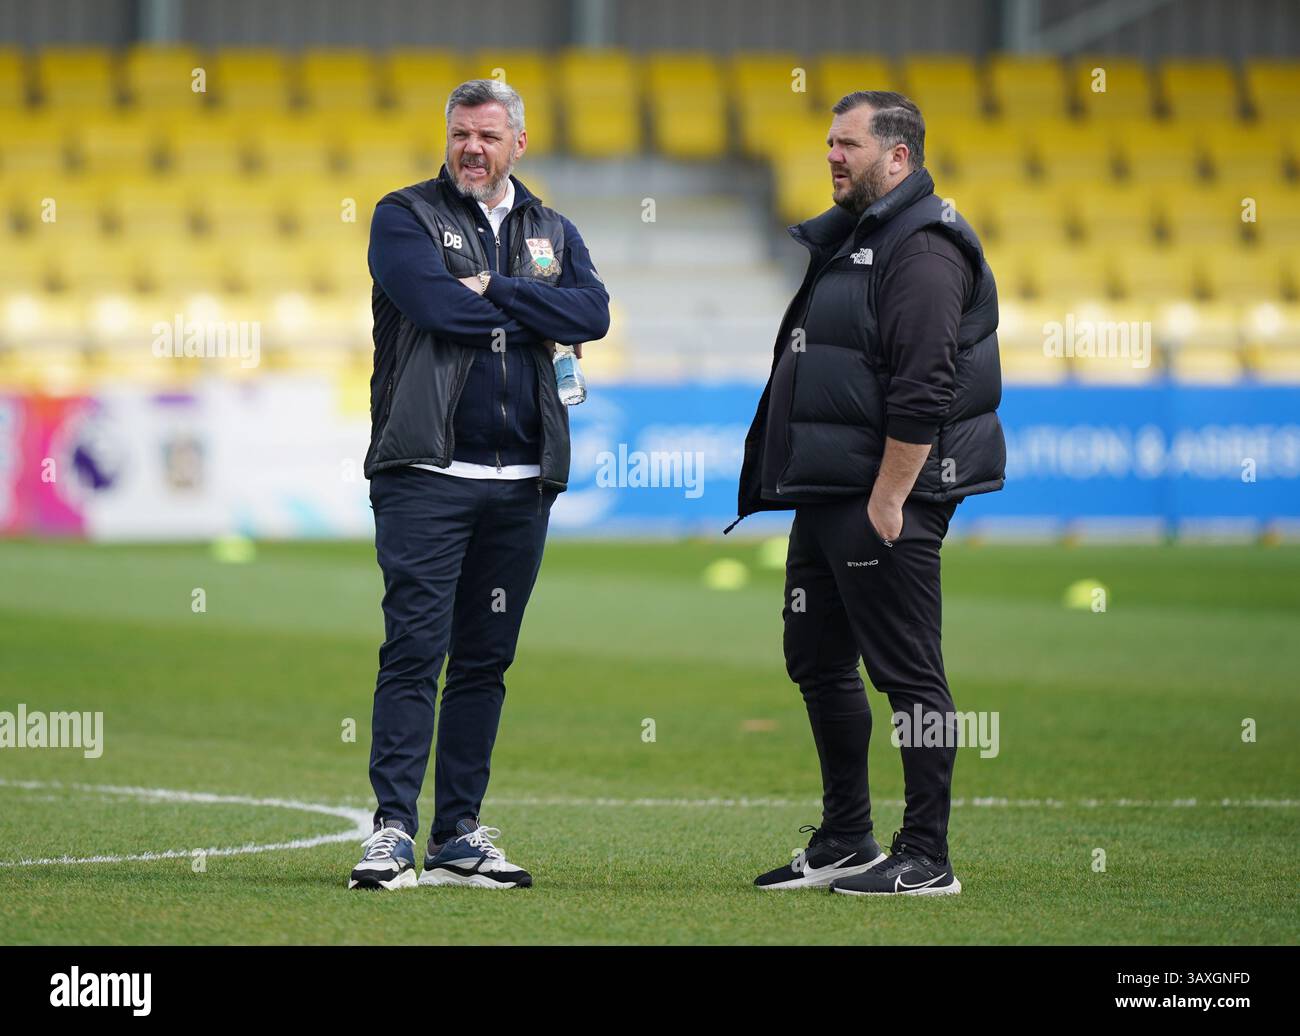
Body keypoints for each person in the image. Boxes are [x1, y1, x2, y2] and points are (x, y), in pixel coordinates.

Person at [729, 91, 1005, 896]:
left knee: (908, 672)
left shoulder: (922, 249)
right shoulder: (863, 236)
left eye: (848, 144)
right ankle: (848, 836)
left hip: (883, 495)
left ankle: (926, 856)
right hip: (830, 487)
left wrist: (891, 497)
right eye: (828, 142)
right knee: (816, 659)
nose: (832, 156)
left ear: (898, 157)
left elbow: (925, 386)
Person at [350, 78, 610, 890]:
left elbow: (594, 313)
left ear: (517, 145)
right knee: (415, 652)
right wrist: (541, 309)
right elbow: (436, 309)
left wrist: (496, 288)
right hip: (427, 472)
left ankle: (458, 835)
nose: (472, 148)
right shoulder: (404, 215)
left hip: (524, 479)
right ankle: (393, 829)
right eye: (461, 133)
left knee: (484, 662)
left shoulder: (550, 226)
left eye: (488, 136)